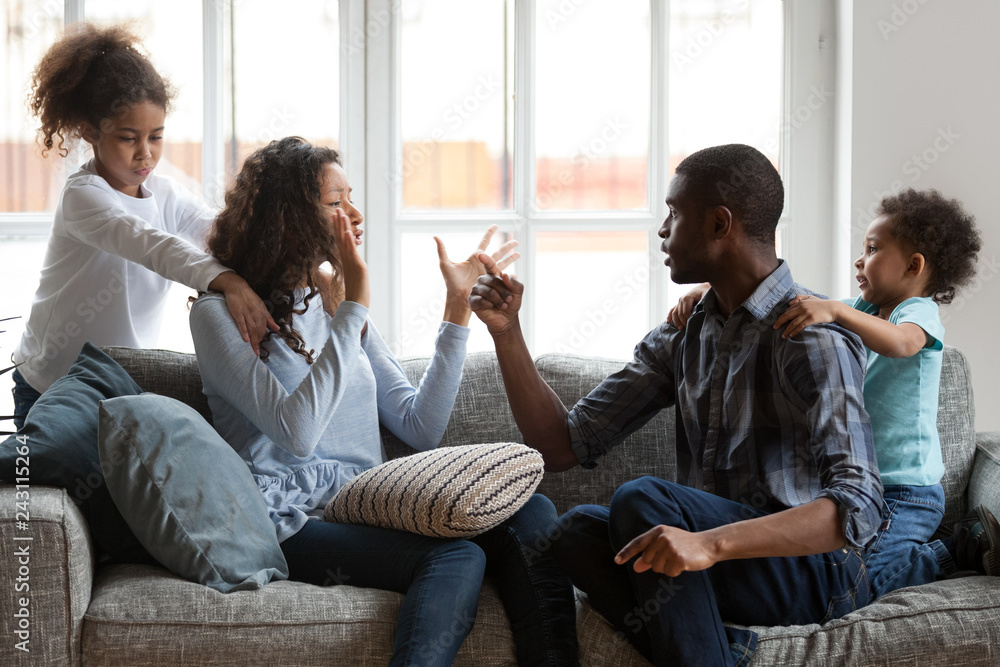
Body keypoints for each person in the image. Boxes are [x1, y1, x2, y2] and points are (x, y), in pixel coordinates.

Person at [469, 143, 883, 666]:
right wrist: (507, 332)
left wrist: (709, 545)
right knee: (573, 534)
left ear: (718, 224)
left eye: (673, 213)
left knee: (643, 500)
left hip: (814, 571)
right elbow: (561, 445)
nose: (662, 231)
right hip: (720, 564)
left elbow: (858, 508)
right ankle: (720, 653)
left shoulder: (810, 337)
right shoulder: (686, 334)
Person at [189, 137, 577, 667]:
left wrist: (456, 308)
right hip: (290, 518)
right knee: (454, 555)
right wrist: (355, 303)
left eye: (352, 197)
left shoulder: (335, 303)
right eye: (335, 202)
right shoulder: (218, 315)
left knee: (529, 508)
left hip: (365, 503)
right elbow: (296, 432)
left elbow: (420, 428)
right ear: (291, 216)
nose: (354, 213)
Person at [671, 189, 999, 595]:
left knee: (858, 584)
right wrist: (710, 290)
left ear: (914, 266)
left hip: (905, 491)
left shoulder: (916, 312)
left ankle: (956, 551)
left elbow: (901, 343)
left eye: (874, 249)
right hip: (866, 489)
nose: (860, 260)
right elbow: (788, 300)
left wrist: (839, 311)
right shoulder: (862, 311)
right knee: (839, 568)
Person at [10, 23, 273, 429]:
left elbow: (219, 233)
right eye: (128, 138)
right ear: (90, 131)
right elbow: (154, 246)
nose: (145, 153)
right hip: (50, 385)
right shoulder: (83, 196)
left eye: (156, 136)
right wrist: (228, 282)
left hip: (118, 381)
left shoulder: (167, 194)